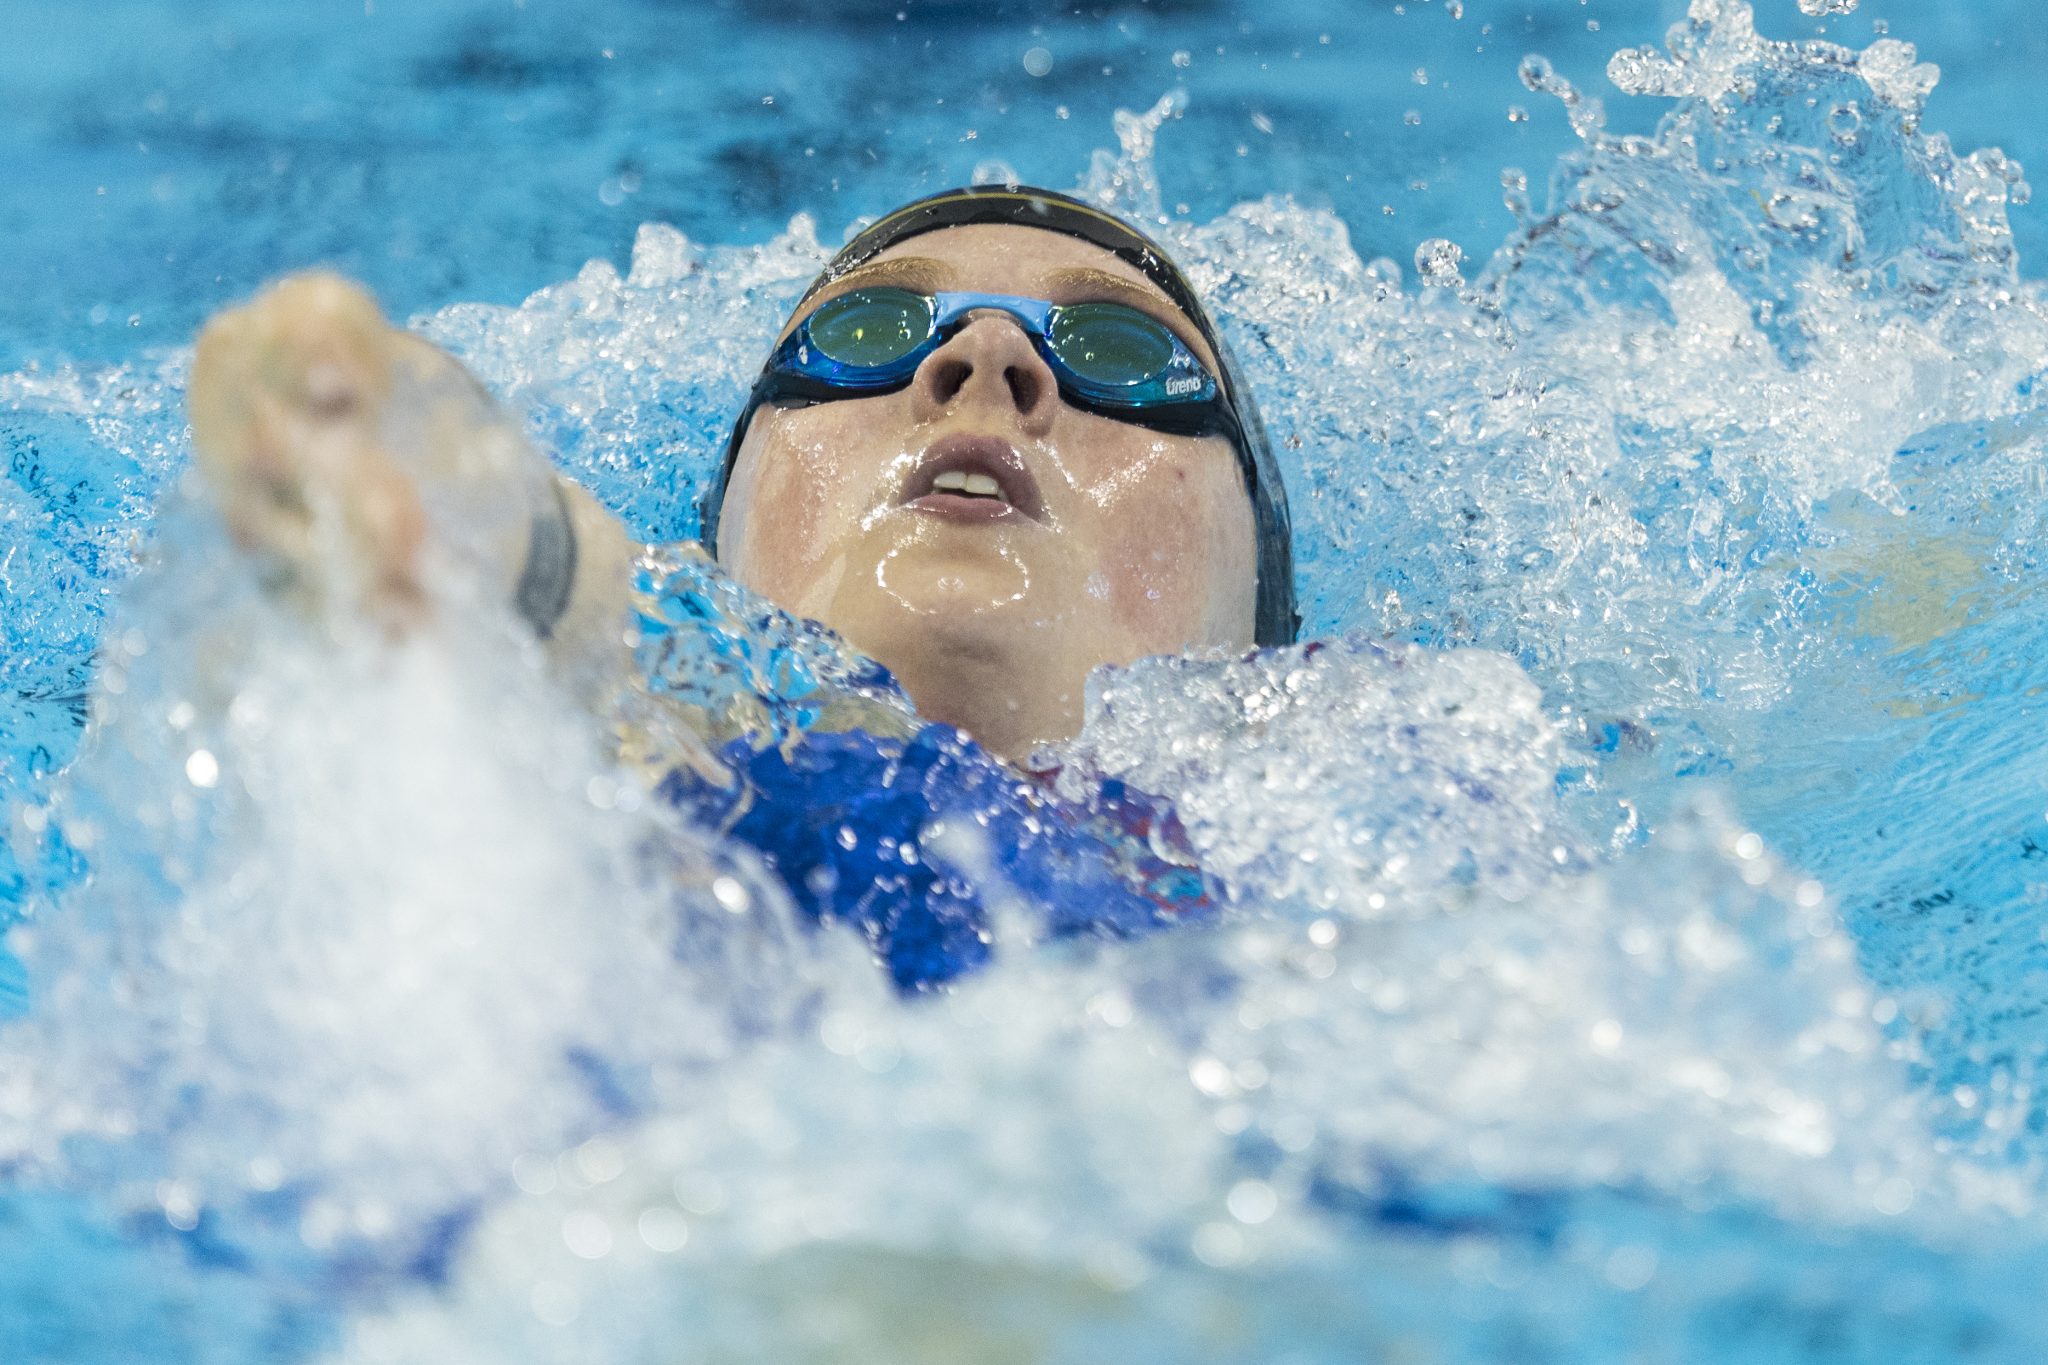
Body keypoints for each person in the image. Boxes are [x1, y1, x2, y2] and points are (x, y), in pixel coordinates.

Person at [184, 185, 1299, 989]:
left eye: (1118, 349)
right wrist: (407, 483)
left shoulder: (1409, 795)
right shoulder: (605, 806)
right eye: (863, 332)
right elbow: (546, 584)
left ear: (1265, 604)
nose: (987, 357)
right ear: (717, 545)